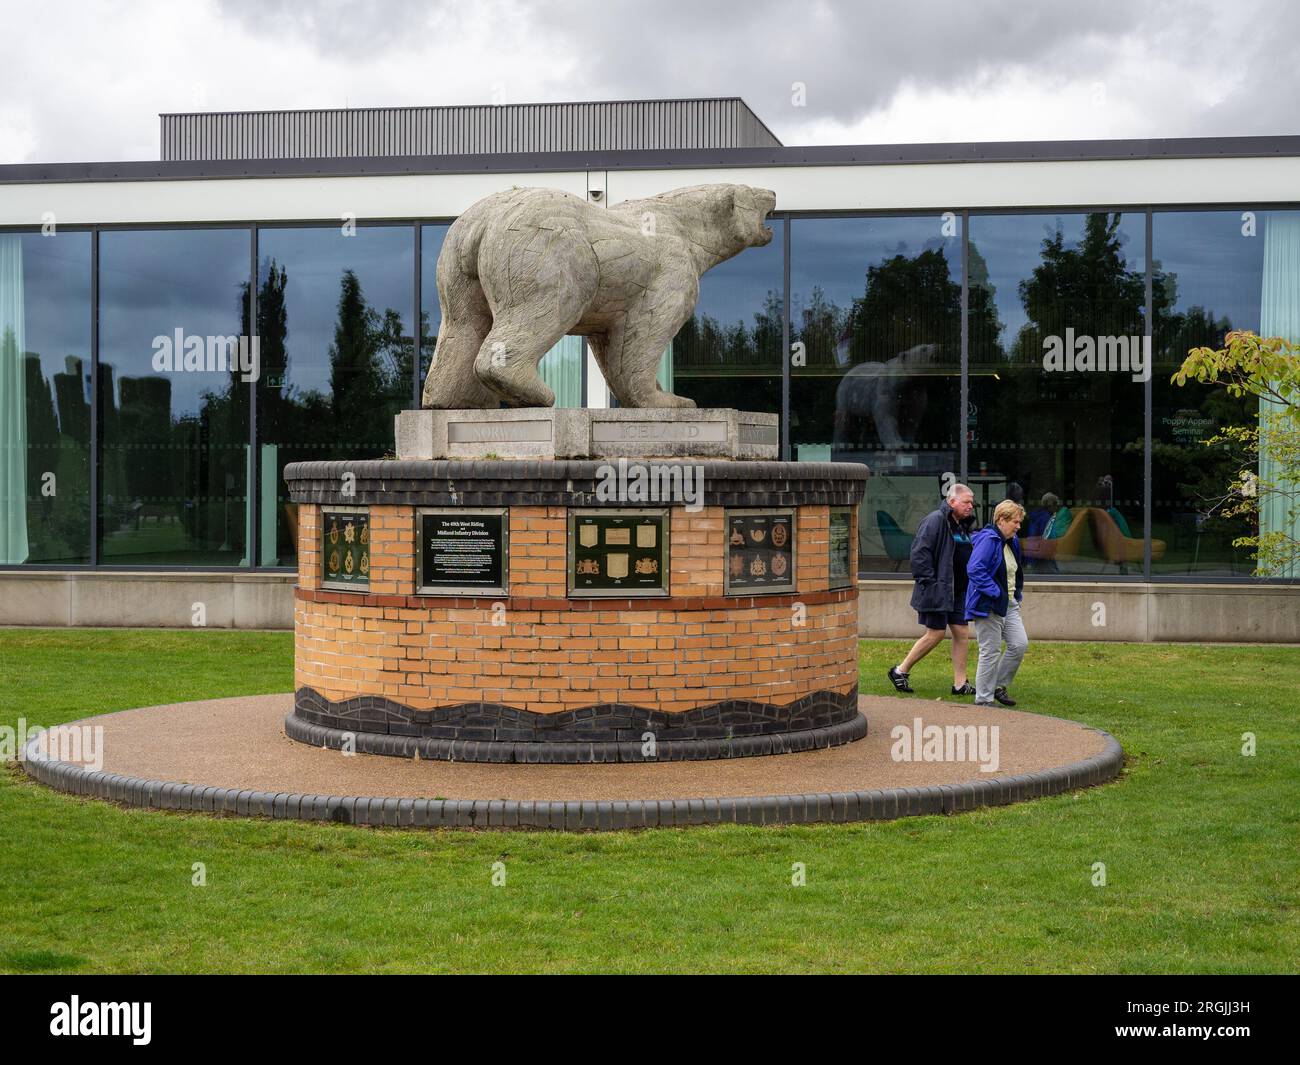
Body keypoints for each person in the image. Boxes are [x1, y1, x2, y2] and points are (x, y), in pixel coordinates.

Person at [887, 483, 977, 696]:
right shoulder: (935, 520)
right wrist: (929, 582)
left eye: (972, 502)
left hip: (958, 590)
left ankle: (960, 684)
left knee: (962, 632)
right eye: (966, 502)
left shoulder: (962, 525)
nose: (970, 506)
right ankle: (900, 670)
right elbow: (919, 553)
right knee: (935, 634)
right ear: (951, 501)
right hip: (938, 589)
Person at [964, 499, 1028, 708]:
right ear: (1001, 520)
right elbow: (975, 569)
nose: (1018, 526)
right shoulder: (989, 540)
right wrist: (995, 593)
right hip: (989, 604)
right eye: (1015, 522)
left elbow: (1016, 571)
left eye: (1019, 522)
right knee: (990, 651)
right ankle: (983, 700)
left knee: (1019, 644)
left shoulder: (1012, 540)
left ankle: (998, 686)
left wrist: (1015, 594)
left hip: (1008, 603)